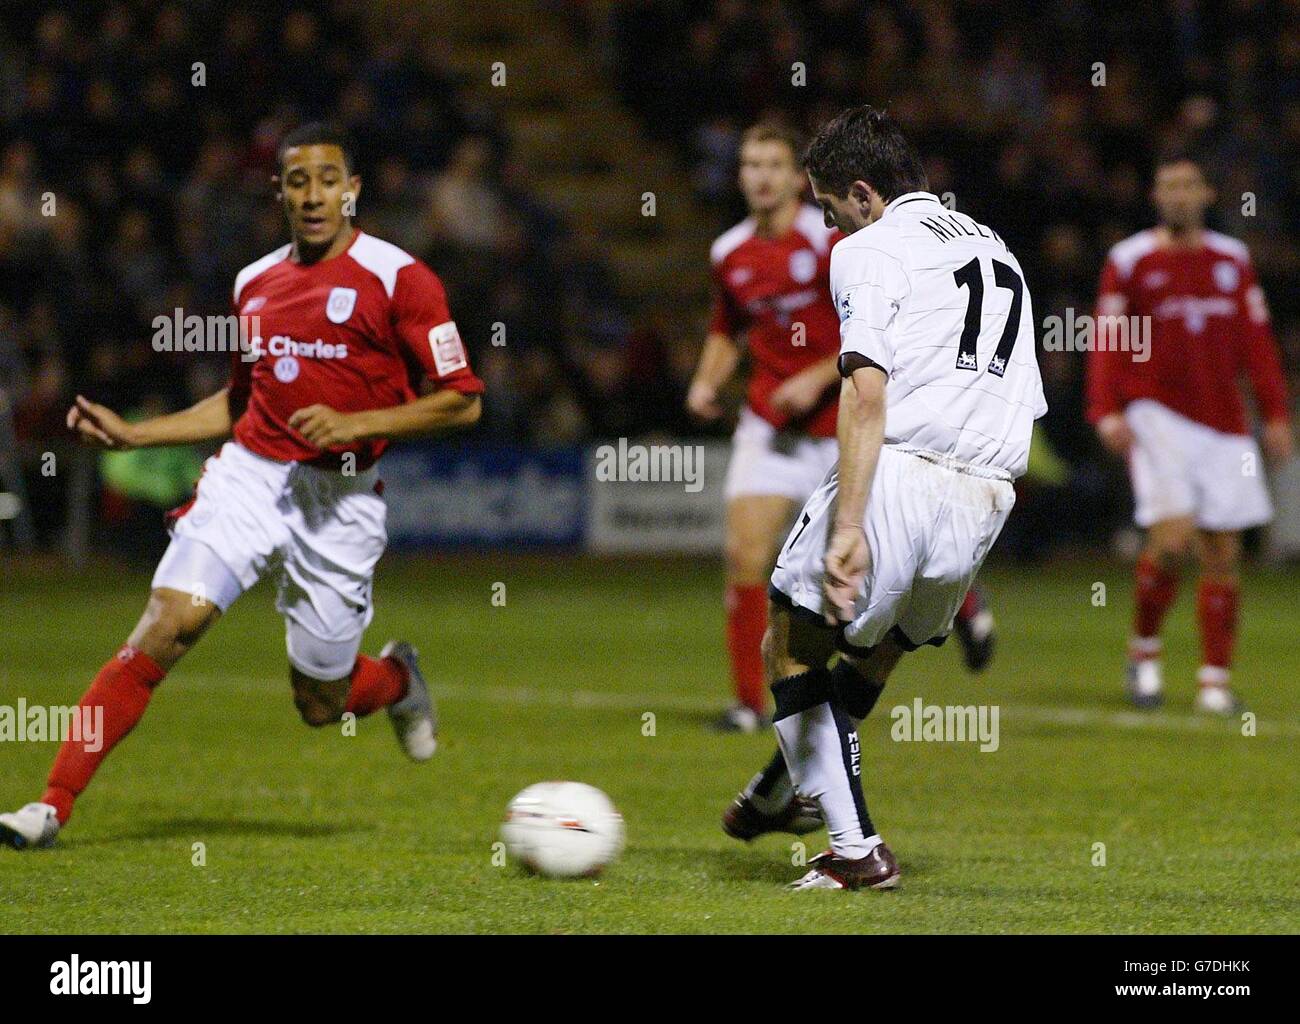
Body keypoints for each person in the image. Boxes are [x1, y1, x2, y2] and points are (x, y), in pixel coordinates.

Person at [0, 123, 484, 850]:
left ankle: (395, 679)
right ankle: (51, 805)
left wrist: (360, 423)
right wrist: (138, 433)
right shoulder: (254, 285)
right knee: (167, 626)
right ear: (280, 192)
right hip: (251, 478)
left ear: (352, 191)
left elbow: (463, 398)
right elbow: (239, 403)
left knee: (321, 703)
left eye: (328, 180)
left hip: (342, 501)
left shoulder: (400, 279)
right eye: (298, 182)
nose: (314, 195)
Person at [723, 106, 1045, 890]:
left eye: (831, 210)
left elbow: (865, 392)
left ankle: (855, 851)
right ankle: (781, 789)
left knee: (792, 643)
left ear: (862, 194)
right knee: (874, 651)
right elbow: (1029, 400)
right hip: (990, 487)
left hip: (906, 467)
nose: (830, 228)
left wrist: (850, 523)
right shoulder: (995, 246)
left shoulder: (869, 249)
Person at [690, 122, 996, 735]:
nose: (762, 177)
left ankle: (961, 601)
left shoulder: (835, 242)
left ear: (797, 180)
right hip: (770, 428)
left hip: (846, 421)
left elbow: (874, 336)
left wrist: (814, 376)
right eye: (751, 165)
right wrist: (706, 380)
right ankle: (750, 704)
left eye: (774, 164)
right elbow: (729, 327)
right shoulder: (729, 252)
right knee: (745, 554)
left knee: (880, 556)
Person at [1087, 152, 1292, 715]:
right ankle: (1145, 654)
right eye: (1168, 186)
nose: (1178, 195)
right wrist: (1105, 409)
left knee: (1224, 552)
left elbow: (1257, 343)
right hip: (1157, 414)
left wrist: (1274, 413)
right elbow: (1106, 336)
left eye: (1188, 186)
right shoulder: (1129, 260)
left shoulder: (1233, 259)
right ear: (1156, 197)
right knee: (1174, 540)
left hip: (1225, 422)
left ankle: (1213, 682)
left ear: (1205, 195)